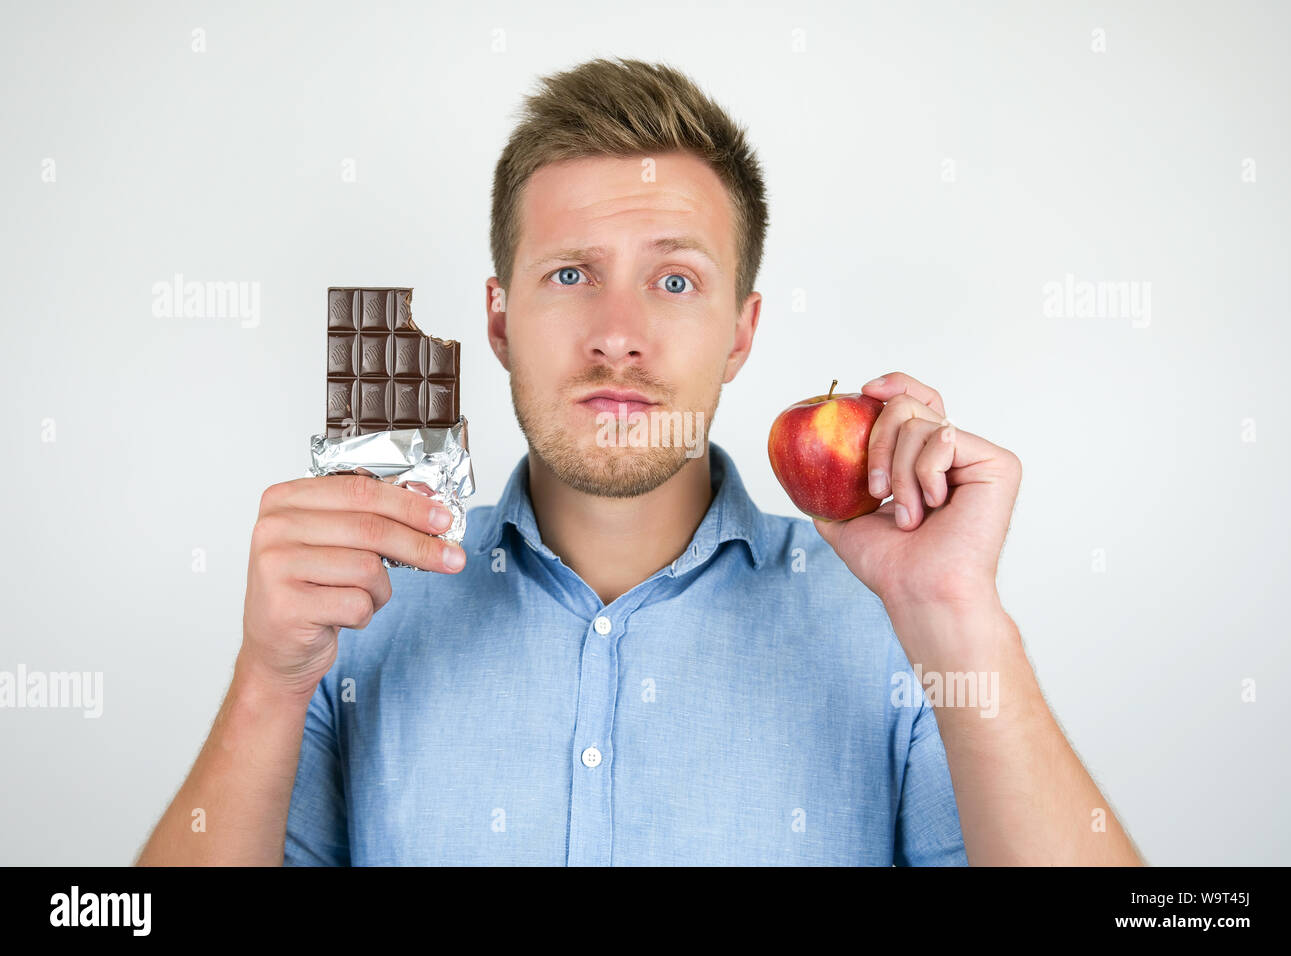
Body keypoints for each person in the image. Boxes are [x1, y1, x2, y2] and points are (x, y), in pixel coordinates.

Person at [137, 56, 1142, 866]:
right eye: (571, 272)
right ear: (498, 318)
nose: (617, 334)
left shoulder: (893, 630)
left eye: (673, 278)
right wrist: (269, 681)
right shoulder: (356, 614)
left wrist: (956, 614)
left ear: (741, 332)